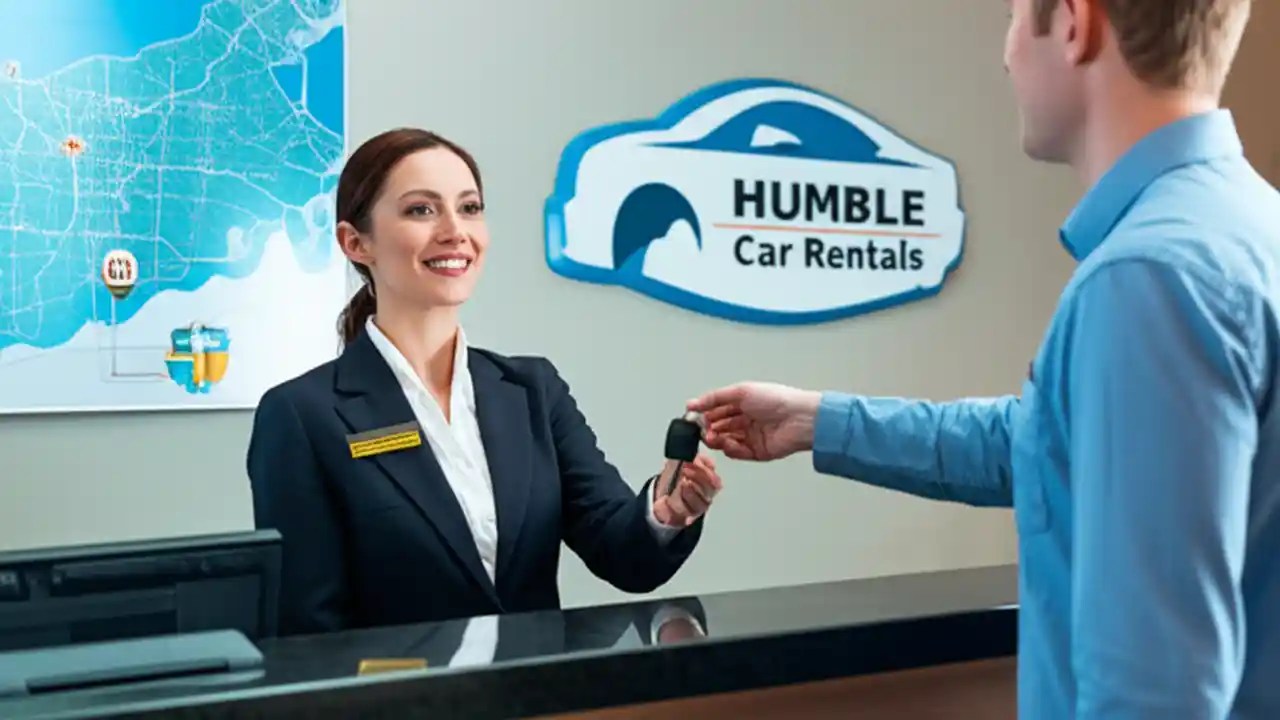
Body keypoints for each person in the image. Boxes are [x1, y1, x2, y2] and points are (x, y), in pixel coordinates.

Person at [689, 0, 1279, 717]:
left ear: (1072, 22)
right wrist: (816, 419)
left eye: (1009, 15)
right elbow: (1040, 442)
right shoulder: (1248, 230)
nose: (1004, 54)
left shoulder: (1146, 279)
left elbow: (1153, 694)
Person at [247, 128, 722, 636]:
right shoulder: (302, 415)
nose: (456, 231)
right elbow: (306, 633)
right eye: (421, 210)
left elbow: (625, 555)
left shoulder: (533, 391)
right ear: (355, 242)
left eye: (469, 207)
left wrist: (665, 513)